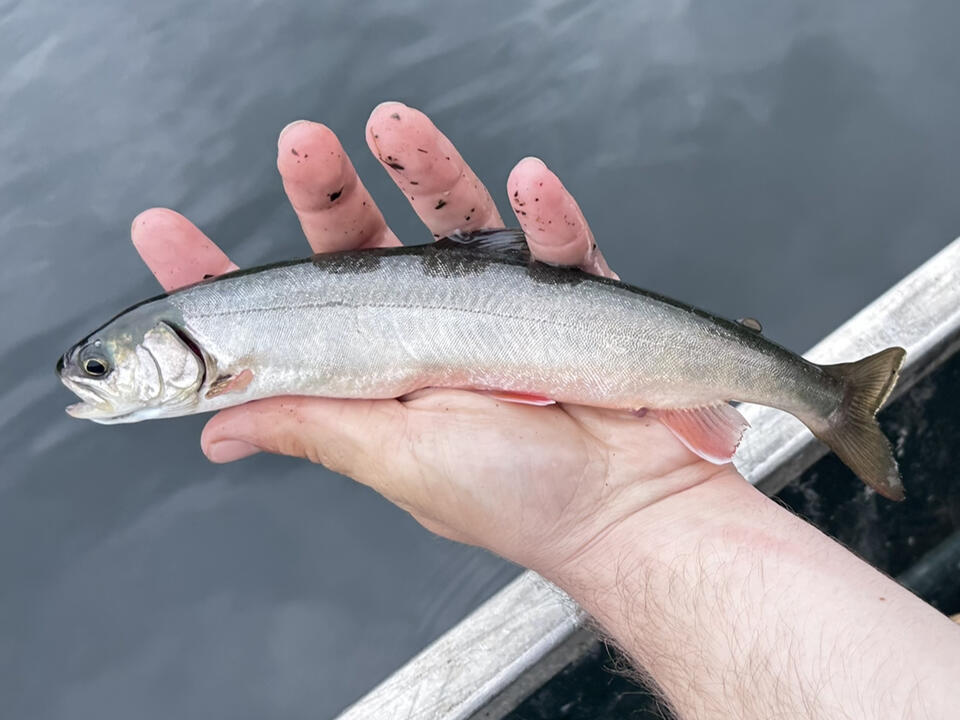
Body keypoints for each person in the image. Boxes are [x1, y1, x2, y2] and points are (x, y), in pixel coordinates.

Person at [131, 102, 960, 719]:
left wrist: (632, 519)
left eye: (101, 369)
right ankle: (829, 395)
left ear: (178, 347)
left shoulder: (228, 361)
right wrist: (626, 521)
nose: (94, 383)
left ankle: (830, 395)